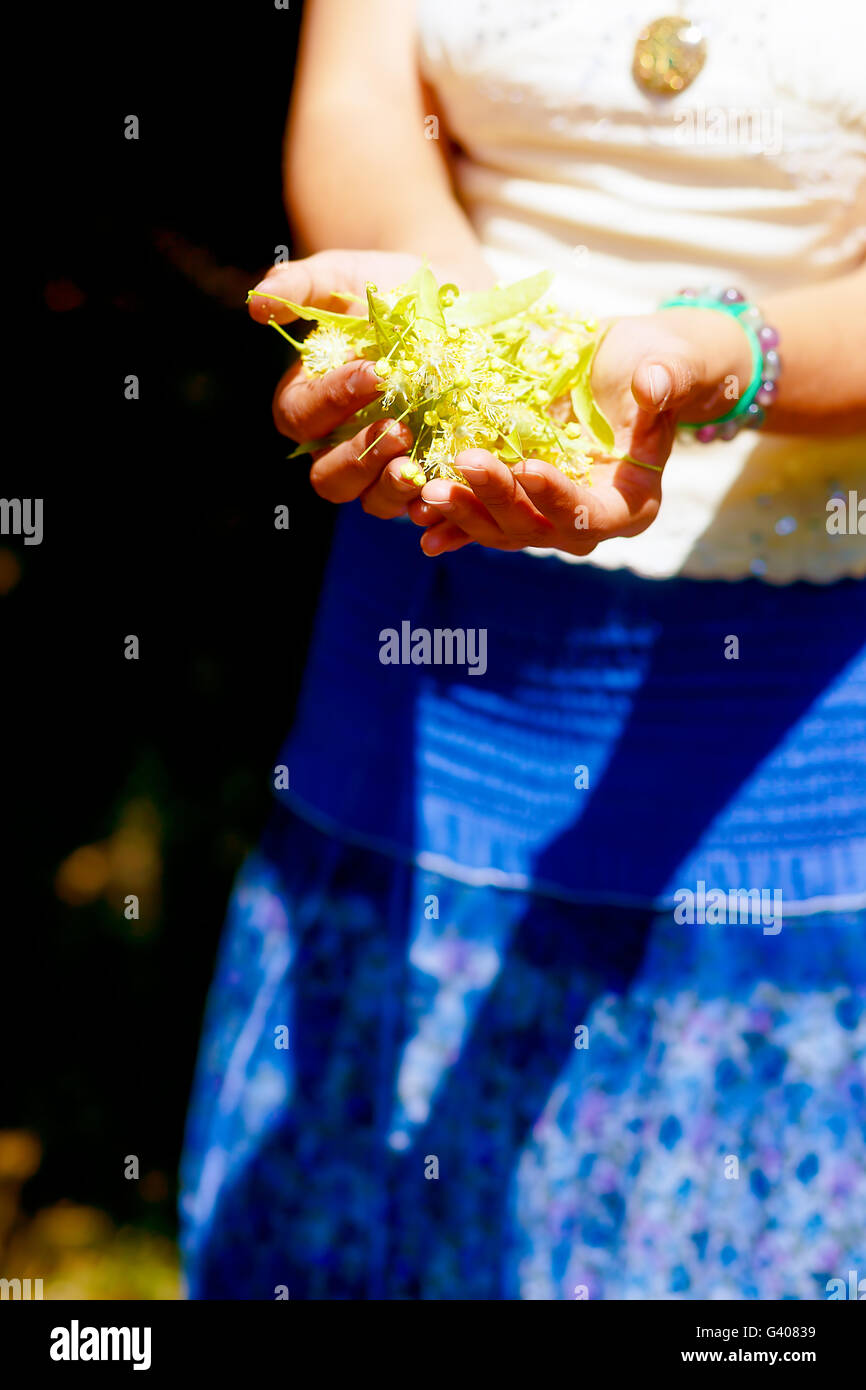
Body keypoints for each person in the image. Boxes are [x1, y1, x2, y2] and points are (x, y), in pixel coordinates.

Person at [180, 0, 866, 1299]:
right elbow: (358, 100)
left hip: (804, 690)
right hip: (430, 617)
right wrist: (461, 336)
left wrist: (718, 358)